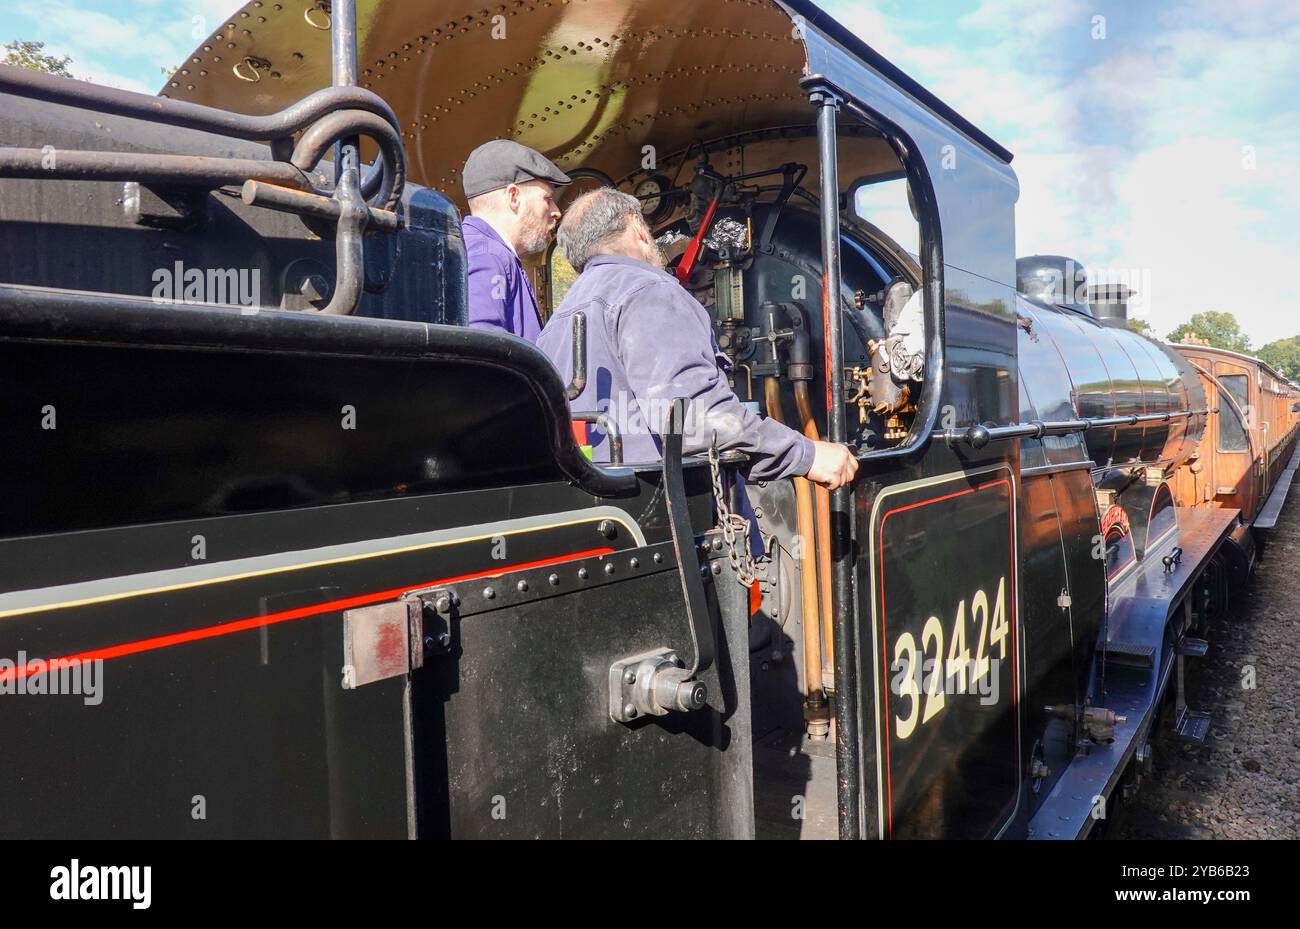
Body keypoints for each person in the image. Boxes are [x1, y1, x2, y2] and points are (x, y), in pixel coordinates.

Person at [537, 188, 858, 489]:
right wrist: (807, 455)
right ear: (636, 227)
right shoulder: (650, 291)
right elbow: (697, 419)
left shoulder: (555, 325)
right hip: (670, 512)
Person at [460, 139, 571, 341]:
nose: (556, 212)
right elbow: (481, 353)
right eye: (547, 199)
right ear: (514, 197)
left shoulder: (486, 252)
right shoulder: (486, 256)